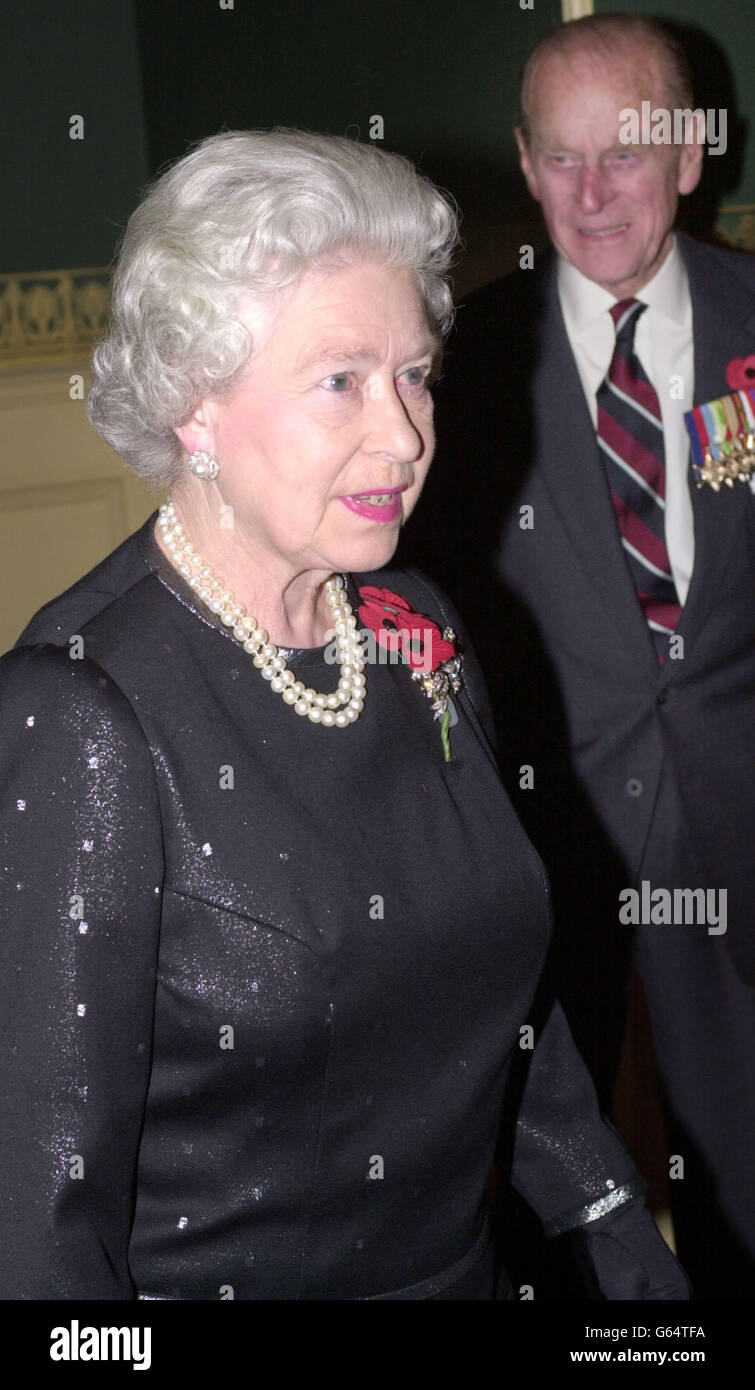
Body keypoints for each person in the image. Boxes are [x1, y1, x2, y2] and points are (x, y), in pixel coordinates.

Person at [0, 129, 688, 1301]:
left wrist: (615, 1228)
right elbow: (41, 1229)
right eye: (341, 381)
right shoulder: (80, 719)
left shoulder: (414, 628)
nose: (404, 434)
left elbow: (493, 992)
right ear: (193, 406)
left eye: (412, 372)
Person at [403, 16, 755, 1299]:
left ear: (687, 155)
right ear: (523, 162)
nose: (591, 191)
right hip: (541, 830)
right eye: (559, 158)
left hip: (737, 813)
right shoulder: (455, 367)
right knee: (548, 1168)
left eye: (624, 153)